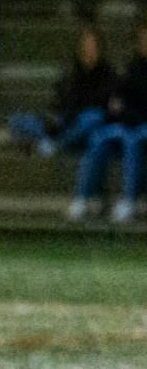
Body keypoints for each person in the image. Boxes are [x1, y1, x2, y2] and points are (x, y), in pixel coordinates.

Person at [69, 18, 147, 223]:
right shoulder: (132, 70)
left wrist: (130, 113)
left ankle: (129, 200)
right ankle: (82, 198)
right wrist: (129, 114)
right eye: (143, 38)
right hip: (129, 125)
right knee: (99, 138)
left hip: (138, 127)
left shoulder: (112, 72)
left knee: (133, 139)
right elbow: (117, 105)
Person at [11, 24, 118, 157]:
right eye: (86, 45)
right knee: (17, 120)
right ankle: (47, 140)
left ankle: (55, 145)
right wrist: (54, 116)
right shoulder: (70, 73)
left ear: (100, 49)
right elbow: (60, 101)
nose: (89, 50)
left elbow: (102, 103)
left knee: (92, 118)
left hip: (86, 125)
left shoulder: (108, 74)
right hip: (66, 121)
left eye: (93, 46)